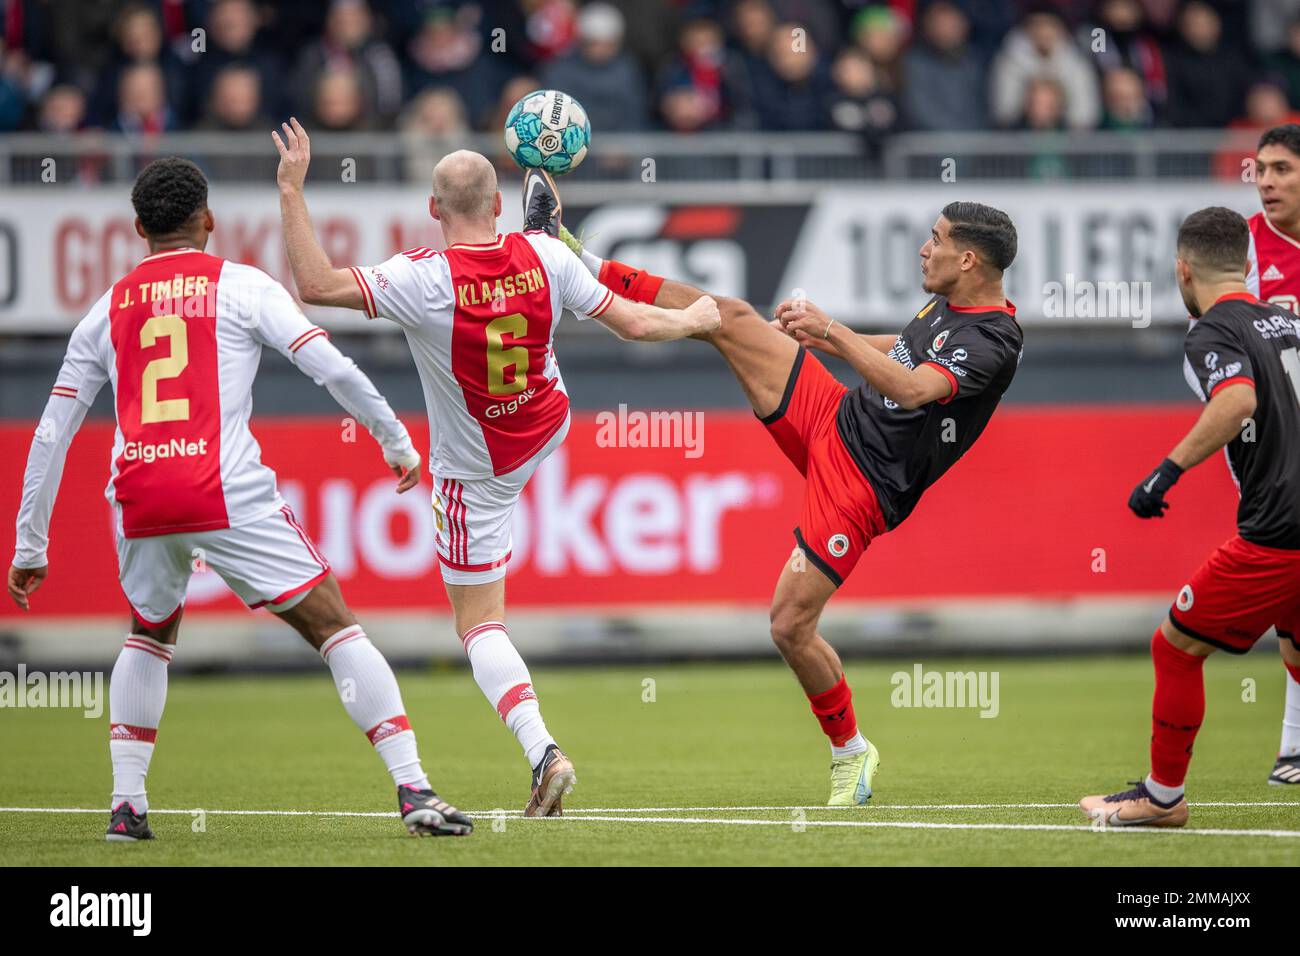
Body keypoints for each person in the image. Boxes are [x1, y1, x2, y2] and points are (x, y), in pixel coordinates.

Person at [7, 157, 472, 840]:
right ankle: (413, 788)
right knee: (335, 626)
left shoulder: (105, 311)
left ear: (139, 227)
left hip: (138, 494)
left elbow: (52, 433)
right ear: (210, 220)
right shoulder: (241, 286)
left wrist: (29, 544)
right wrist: (394, 437)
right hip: (222, 487)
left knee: (149, 633)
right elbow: (328, 363)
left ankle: (127, 807)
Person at [272, 120, 720, 815]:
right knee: (548, 312)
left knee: (480, 625)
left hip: (474, 470)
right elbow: (636, 324)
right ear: (497, 206)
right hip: (544, 422)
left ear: (432, 210)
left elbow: (315, 283)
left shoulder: (420, 277)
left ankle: (543, 749)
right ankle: (534, 327)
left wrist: (292, 190)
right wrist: (697, 318)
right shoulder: (543, 254)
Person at [549, 179, 1022, 805]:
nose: (922, 249)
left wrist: (834, 328)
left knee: (789, 624)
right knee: (733, 316)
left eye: (934, 241)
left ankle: (851, 751)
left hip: (865, 484)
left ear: (969, 261)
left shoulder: (995, 340)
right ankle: (583, 267)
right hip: (835, 416)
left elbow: (912, 390)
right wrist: (823, 337)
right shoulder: (945, 301)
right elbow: (903, 352)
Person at [1082, 206, 1300, 824]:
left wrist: (1166, 470)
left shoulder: (1214, 331)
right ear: (1250, 264)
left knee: (1175, 646)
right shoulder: (1288, 323)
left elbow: (1236, 400)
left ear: (1183, 270)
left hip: (1280, 530)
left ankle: (1162, 796)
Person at [1215, 123, 1300, 786]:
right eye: (1260, 170)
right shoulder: (1243, 246)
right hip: (1272, 450)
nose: (1266, 181)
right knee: (1288, 598)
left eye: (1280, 170)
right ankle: (1294, 744)